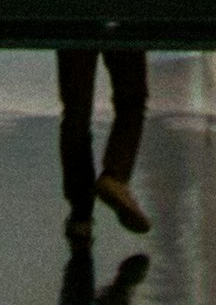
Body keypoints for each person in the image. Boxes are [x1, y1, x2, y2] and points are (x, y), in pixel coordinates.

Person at [54, 44, 149, 233]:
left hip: (75, 21)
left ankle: (80, 213)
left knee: (76, 112)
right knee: (132, 98)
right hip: (124, 22)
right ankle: (115, 174)